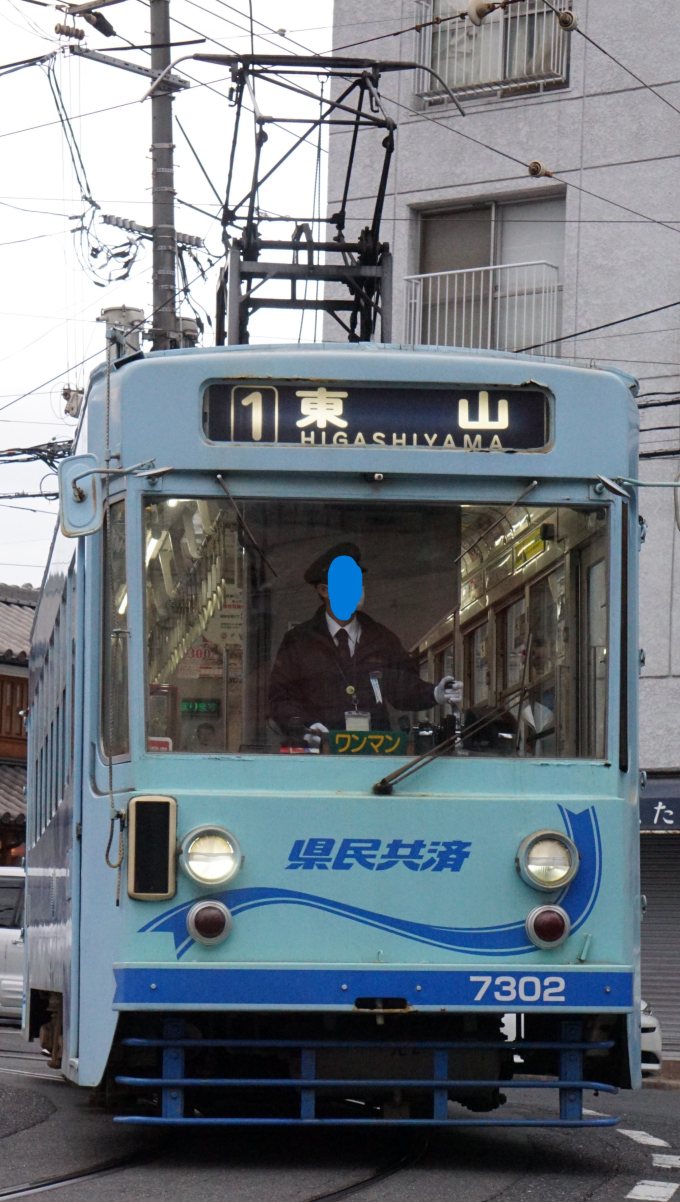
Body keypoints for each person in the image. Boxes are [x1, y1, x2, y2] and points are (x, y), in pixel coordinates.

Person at [268, 542, 462, 743]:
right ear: (324, 590)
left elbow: (403, 686)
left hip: (373, 751)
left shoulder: (381, 638)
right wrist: (305, 728)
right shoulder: (299, 642)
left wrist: (434, 693)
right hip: (320, 752)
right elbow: (280, 698)